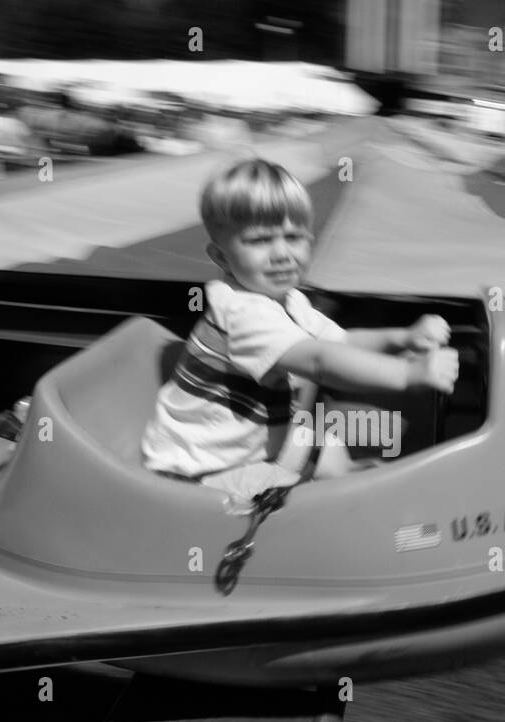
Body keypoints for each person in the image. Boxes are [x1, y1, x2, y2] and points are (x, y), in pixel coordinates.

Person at [142, 158, 458, 512]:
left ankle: (351, 478)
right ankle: (340, 524)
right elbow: (320, 361)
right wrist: (408, 375)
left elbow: (340, 343)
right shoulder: (244, 313)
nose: (281, 254)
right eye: (260, 240)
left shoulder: (289, 300)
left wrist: (402, 337)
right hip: (200, 475)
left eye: (293, 237)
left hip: (248, 449)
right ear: (222, 257)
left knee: (327, 436)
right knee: (296, 496)